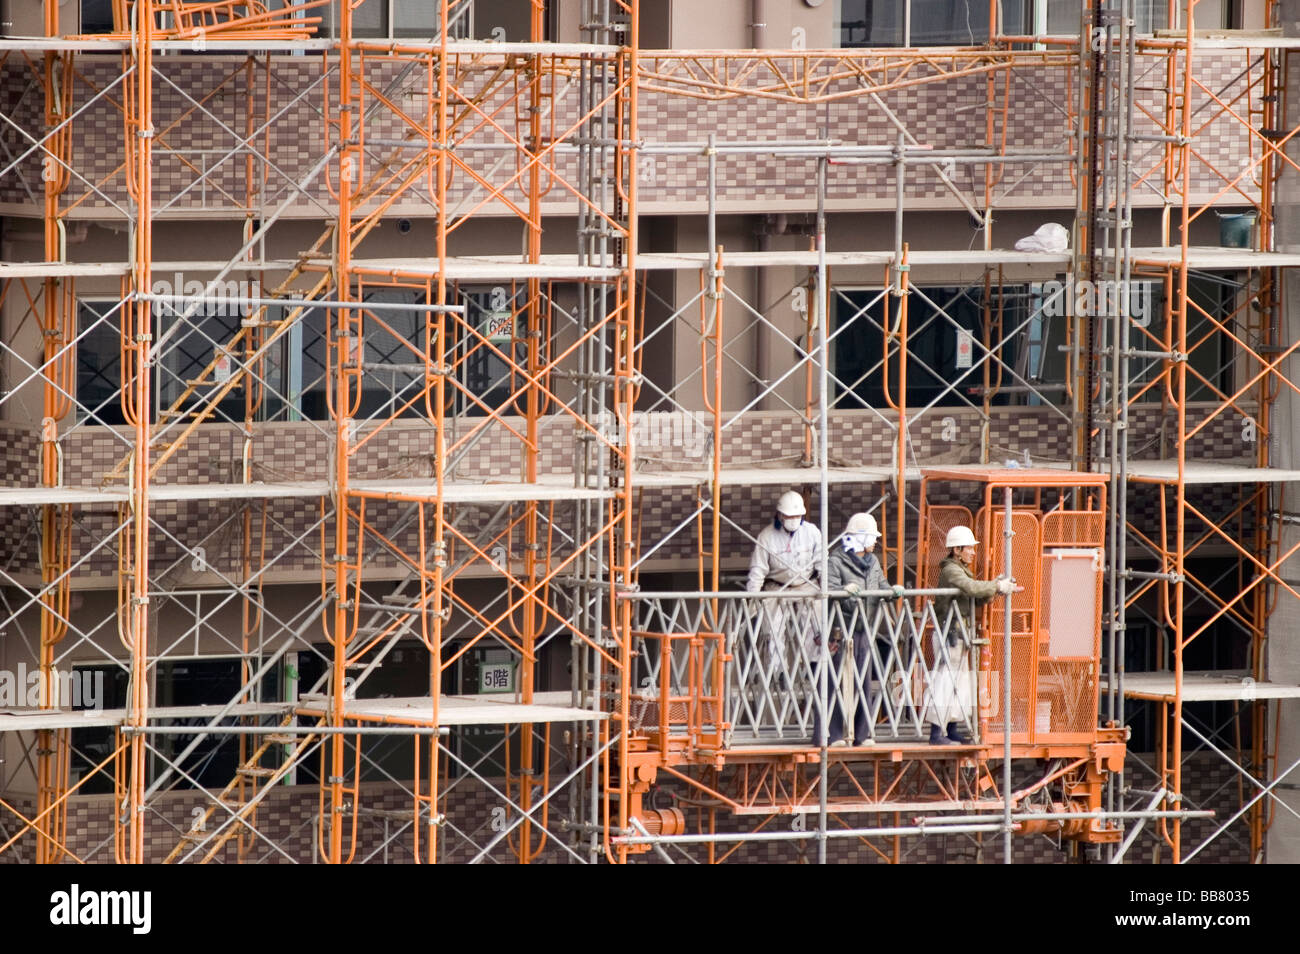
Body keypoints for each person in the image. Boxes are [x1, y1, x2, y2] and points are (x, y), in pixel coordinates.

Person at [924, 524, 1017, 746]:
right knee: (947, 682)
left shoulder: (960, 569)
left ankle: (951, 729)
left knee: (959, 682)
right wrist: (995, 585)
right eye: (970, 548)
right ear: (957, 550)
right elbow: (972, 588)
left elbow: (976, 595)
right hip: (950, 634)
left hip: (958, 633)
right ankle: (937, 733)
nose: (974, 552)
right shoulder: (951, 570)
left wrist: (996, 587)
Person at [818, 512, 905, 747]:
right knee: (836, 681)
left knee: (863, 682)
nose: (875, 542)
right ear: (859, 537)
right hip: (840, 630)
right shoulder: (835, 561)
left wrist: (891, 591)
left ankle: (862, 734)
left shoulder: (873, 562)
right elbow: (828, 588)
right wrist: (845, 590)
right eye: (871, 537)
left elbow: (882, 585)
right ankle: (832, 734)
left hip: (864, 629)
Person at [746, 491, 822, 692]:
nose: (792, 520)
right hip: (777, 586)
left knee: (814, 625)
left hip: (807, 584)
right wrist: (752, 598)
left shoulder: (812, 532)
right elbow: (758, 569)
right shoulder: (767, 536)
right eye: (789, 517)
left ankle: (813, 667)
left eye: (796, 517)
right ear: (780, 515)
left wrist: (826, 588)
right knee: (774, 627)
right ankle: (780, 672)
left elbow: (822, 561)